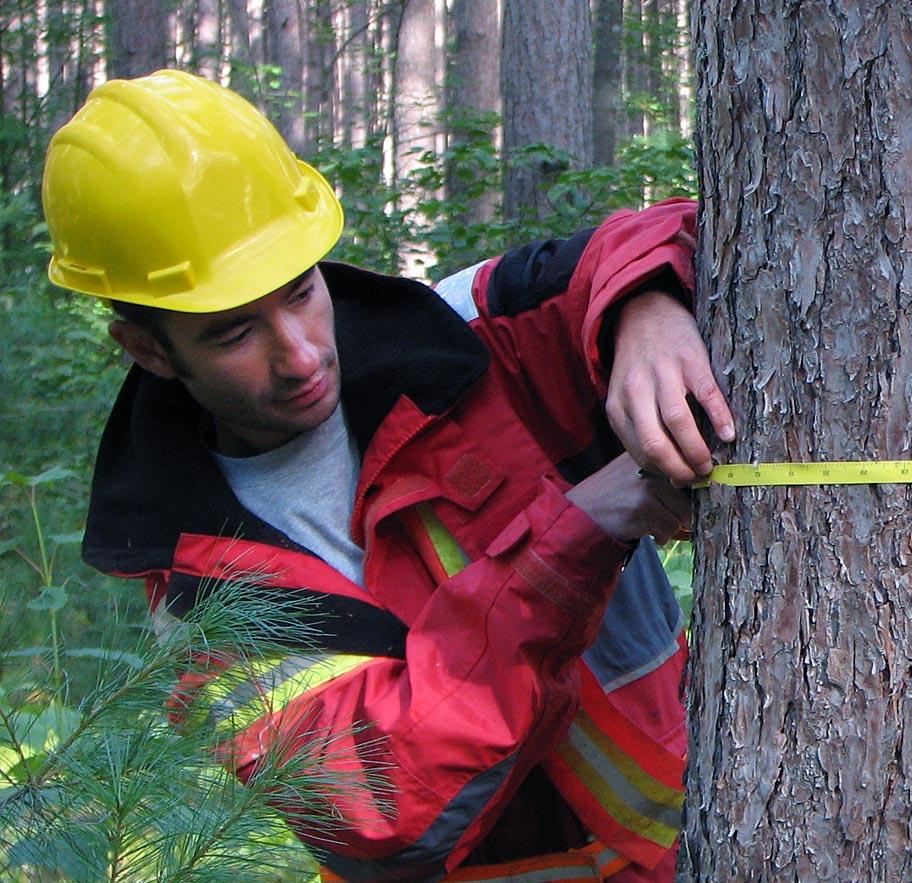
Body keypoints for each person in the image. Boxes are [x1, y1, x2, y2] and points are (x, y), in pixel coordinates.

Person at [45, 70, 729, 881]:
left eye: (302, 291)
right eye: (234, 334)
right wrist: (578, 533)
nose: (301, 354)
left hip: (705, 848)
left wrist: (644, 305)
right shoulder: (202, 600)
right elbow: (385, 810)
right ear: (149, 349)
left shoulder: (458, 339)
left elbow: (662, 237)